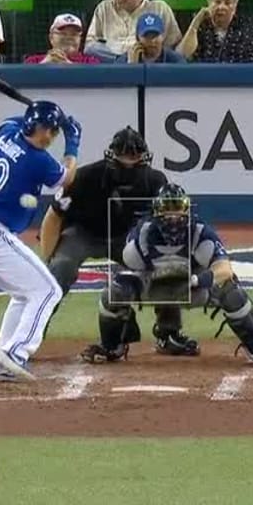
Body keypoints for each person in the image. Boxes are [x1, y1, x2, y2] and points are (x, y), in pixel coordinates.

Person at [39, 127, 193, 359]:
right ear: (111, 156)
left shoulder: (155, 181)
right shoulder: (84, 177)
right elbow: (53, 216)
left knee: (164, 263)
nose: (129, 162)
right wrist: (48, 258)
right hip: (83, 233)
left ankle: (168, 332)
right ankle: (29, 334)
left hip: (127, 237)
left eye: (134, 156)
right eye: (124, 156)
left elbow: (161, 228)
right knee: (60, 267)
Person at [85, 184, 253, 366]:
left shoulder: (200, 233)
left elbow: (224, 269)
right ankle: (112, 346)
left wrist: (197, 280)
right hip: (153, 287)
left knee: (231, 291)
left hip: (192, 287)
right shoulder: (141, 236)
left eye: (177, 209)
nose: (173, 217)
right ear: (155, 212)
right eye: (167, 210)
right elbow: (128, 269)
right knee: (113, 292)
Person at [0, 100, 80, 382]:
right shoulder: (37, 159)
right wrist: (72, 143)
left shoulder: (7, 133)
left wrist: (40, 115)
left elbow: (8, 122)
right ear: (31, 125)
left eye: (52, 131)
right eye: (44, 129)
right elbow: (66, 177)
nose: (47, 137)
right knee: (49, 291)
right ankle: (15, 353)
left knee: (25, 294)